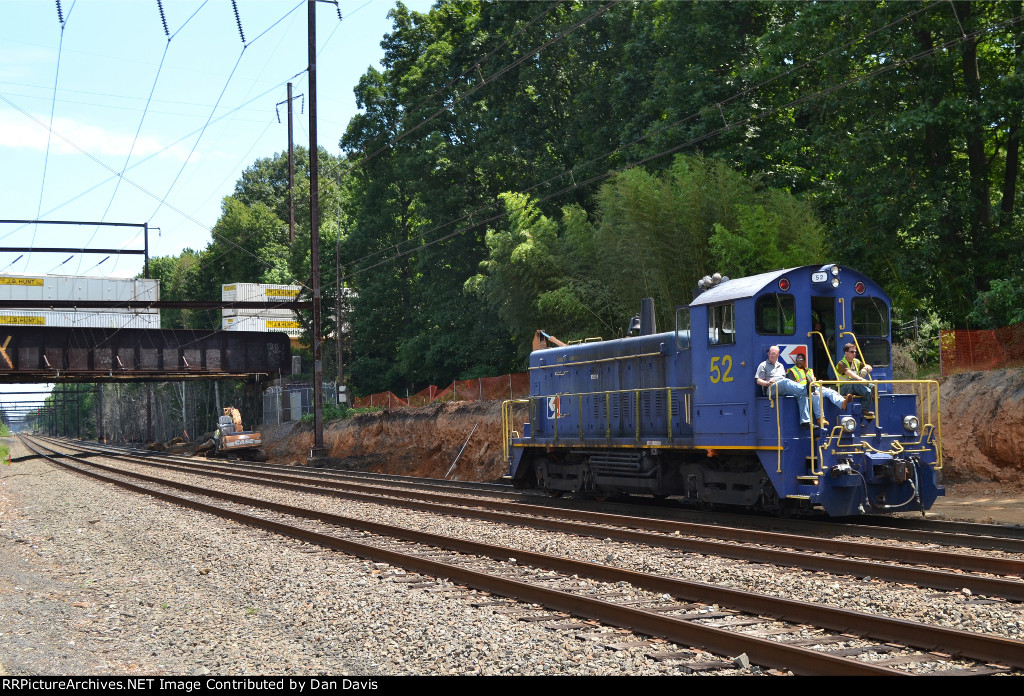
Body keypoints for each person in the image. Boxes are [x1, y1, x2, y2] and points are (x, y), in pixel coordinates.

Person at [786, 353, 854, 428]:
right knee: (816, 394)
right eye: (797, 359)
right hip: (804, 390)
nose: (799, 361)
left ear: (804, 361)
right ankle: (820, 418)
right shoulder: (792, 371)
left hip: (815, 387)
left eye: (801, 359)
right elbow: (791, 385)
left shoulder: (810, 370)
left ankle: (842, 403)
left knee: (830, 391)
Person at [756, 345, 817, 428]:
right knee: (785, 382)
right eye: (771, 353)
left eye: (775, 353)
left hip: (782, 389)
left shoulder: (780, 366)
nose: (773, 355)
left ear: (778, 355)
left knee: (801, 395)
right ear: (768, 354)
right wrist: (767, 383)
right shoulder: (763, 365)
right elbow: (758, 380)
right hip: (770, 389)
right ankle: (806, 390)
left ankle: (805, 422)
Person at [835, 343, 875, 417]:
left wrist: (865, 369)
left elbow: (869, 367)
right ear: (846, 352)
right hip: (843, 388)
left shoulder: (856, 361)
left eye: (855, 352)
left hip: (855, 385)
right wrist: (860, 379)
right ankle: (872, 396)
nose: (854, 353)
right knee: (855, 382)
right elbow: (849, 373)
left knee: (872, 385)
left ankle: (866, 405)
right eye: (852, 352)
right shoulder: (841, 363)